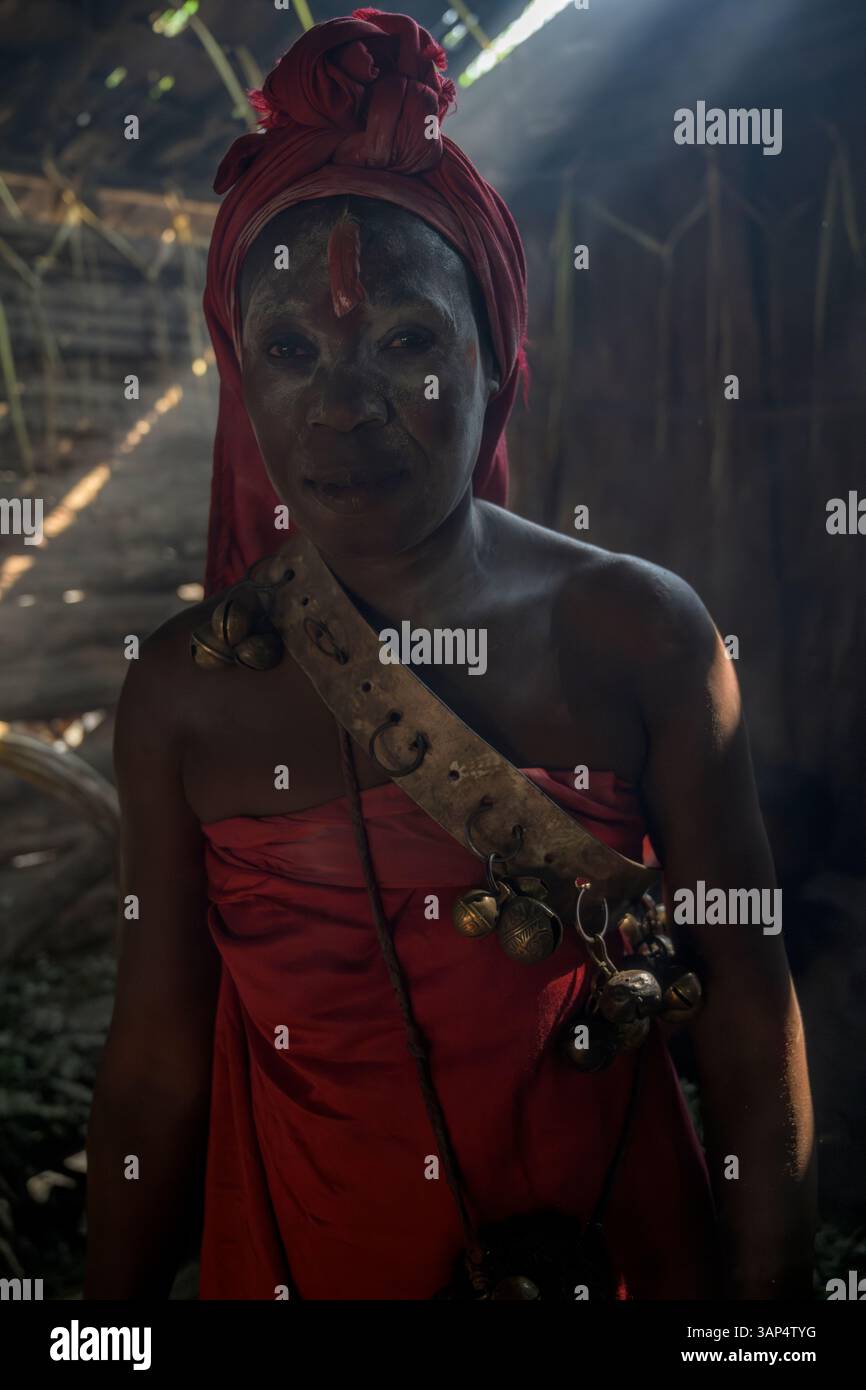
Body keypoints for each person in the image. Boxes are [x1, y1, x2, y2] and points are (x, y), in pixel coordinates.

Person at [84, 10, 815, 1300]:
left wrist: (768, 1328)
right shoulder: (188, 691)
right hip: (313, 1265)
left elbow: (748, 1011)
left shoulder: (641, 635)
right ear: (239, 379)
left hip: (625, 1258)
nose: (343, 403)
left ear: (498, 360)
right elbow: (156, 1061)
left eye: (407, 343)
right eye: (290, 351)